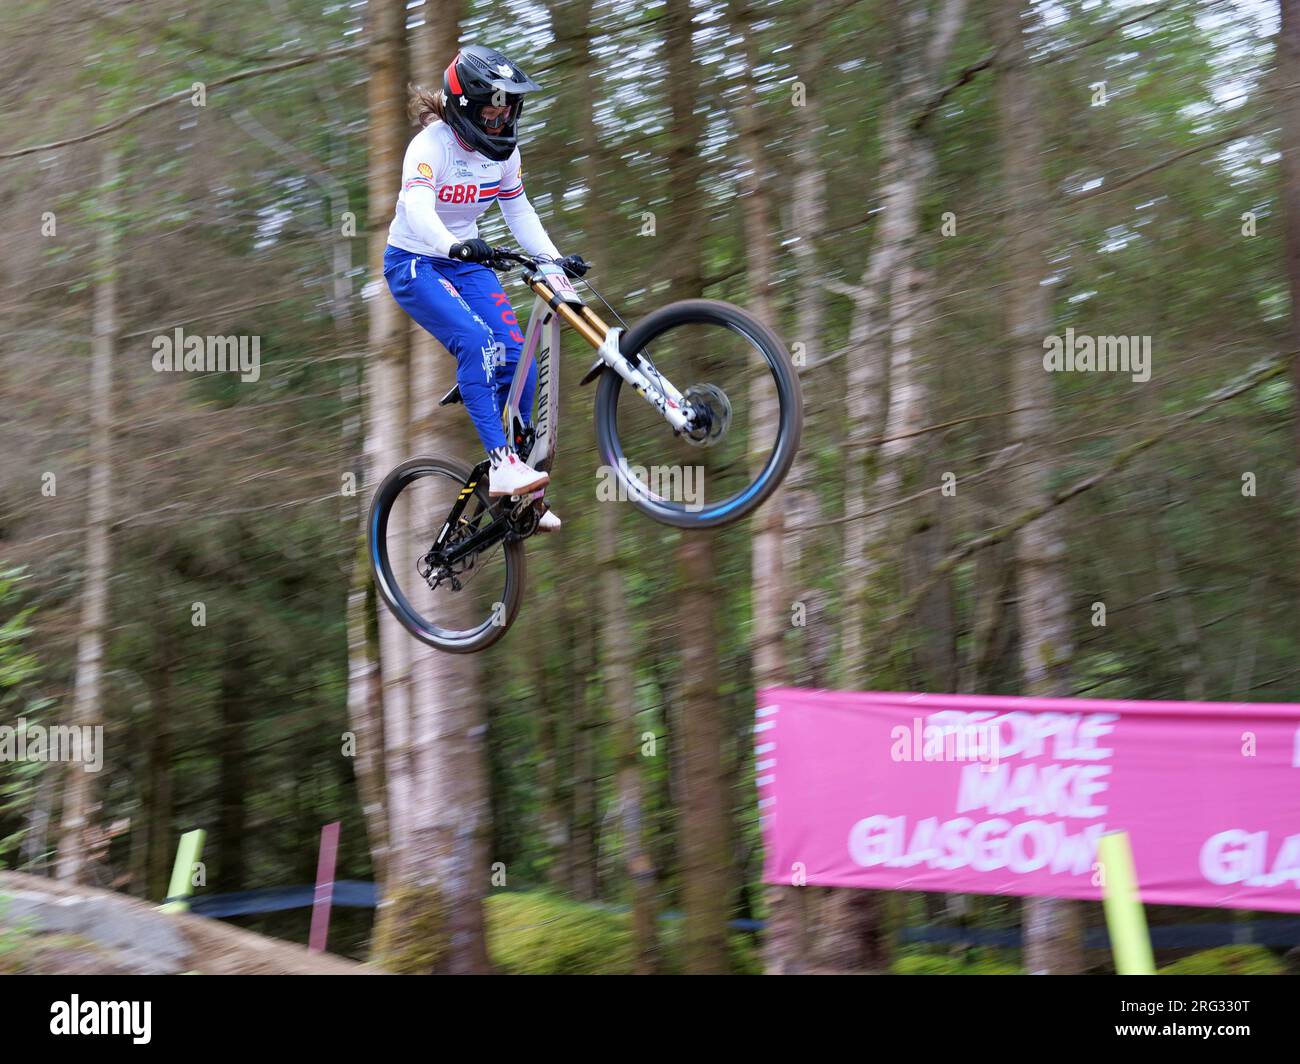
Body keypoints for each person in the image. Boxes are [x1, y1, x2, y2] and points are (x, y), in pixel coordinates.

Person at [384, 45, 585, 532]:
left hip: (466, 262)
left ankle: (523, 492)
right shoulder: (431, 146)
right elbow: (418, 209)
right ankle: (500, 463)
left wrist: (554, 262)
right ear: (466, 105)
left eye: (507, 109)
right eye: (492, 108)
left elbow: (519, 213)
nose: (500, 118)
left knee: (516, 356)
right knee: (478, 342)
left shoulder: (505, 154)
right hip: (416, 260)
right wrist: (452, 246)